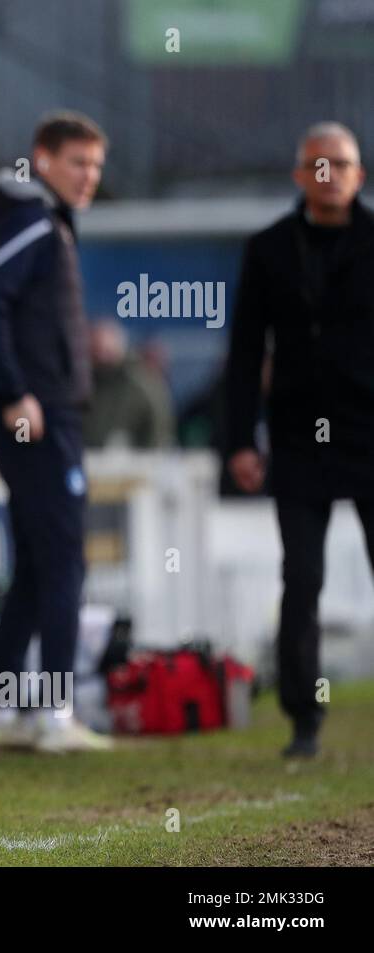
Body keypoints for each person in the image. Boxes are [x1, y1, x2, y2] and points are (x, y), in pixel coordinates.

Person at [0, 110, 112, 753]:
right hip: (37, 417)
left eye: (97, 167)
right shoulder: (33, 219)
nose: (89, 177)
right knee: (65, 559)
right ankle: (54, 713)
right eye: (78, 162)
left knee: (35, 565)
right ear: (40, 159)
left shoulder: (42, 220)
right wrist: (15, 391)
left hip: (45, 412)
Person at [224, 121, 374, 758]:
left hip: (371, 435)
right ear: (298, 174)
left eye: (339, 164)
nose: (328, 175)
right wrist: (238, 439)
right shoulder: (268, 249)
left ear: (359, 175)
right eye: (317, 165)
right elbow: (244, 351)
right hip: (297, 437)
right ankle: (303, 720)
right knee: (303, 578)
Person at [83, 318, 175, 449]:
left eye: (105, 351)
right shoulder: (86, 381)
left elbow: (158, 429)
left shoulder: (141, 383)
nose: (101, 357)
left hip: (136, 463)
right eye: (95, 351)